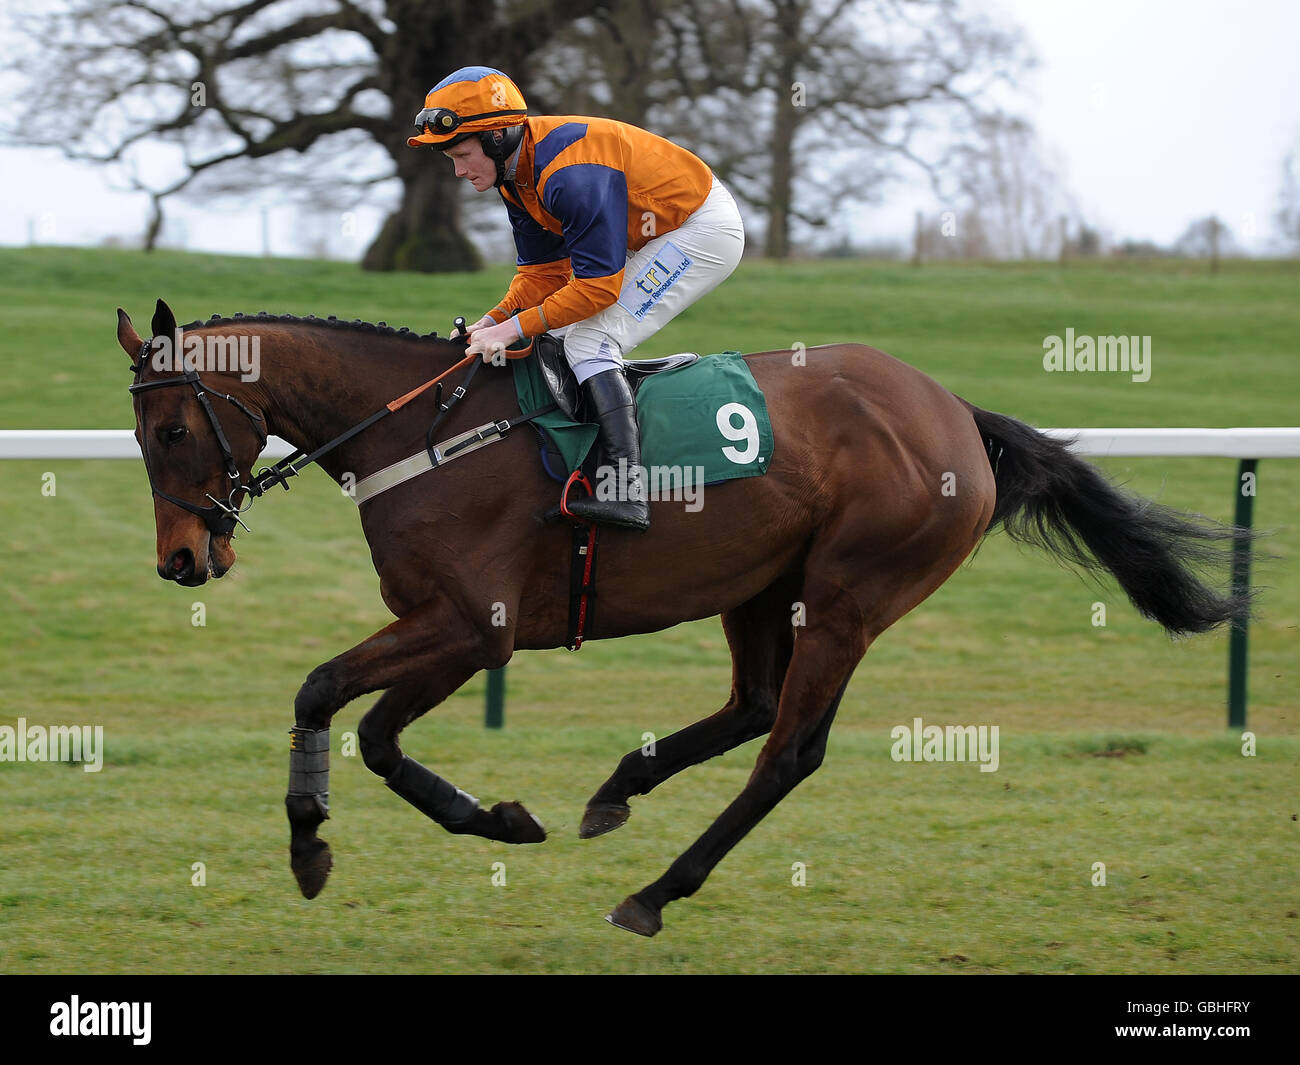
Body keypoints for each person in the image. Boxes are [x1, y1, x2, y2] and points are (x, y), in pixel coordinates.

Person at [407, 65, 746, 531]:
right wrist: (496, 318)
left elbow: (597, 288)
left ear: (500, 136)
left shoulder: (569, 175)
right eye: (451, 159)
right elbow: (544, 273)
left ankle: (626, 489)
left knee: (588, 342)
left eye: (463, 154)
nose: (459, 170)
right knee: (560, 334)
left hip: (699, 230)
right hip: (650, 235)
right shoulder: (516, 177)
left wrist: (513, 329)